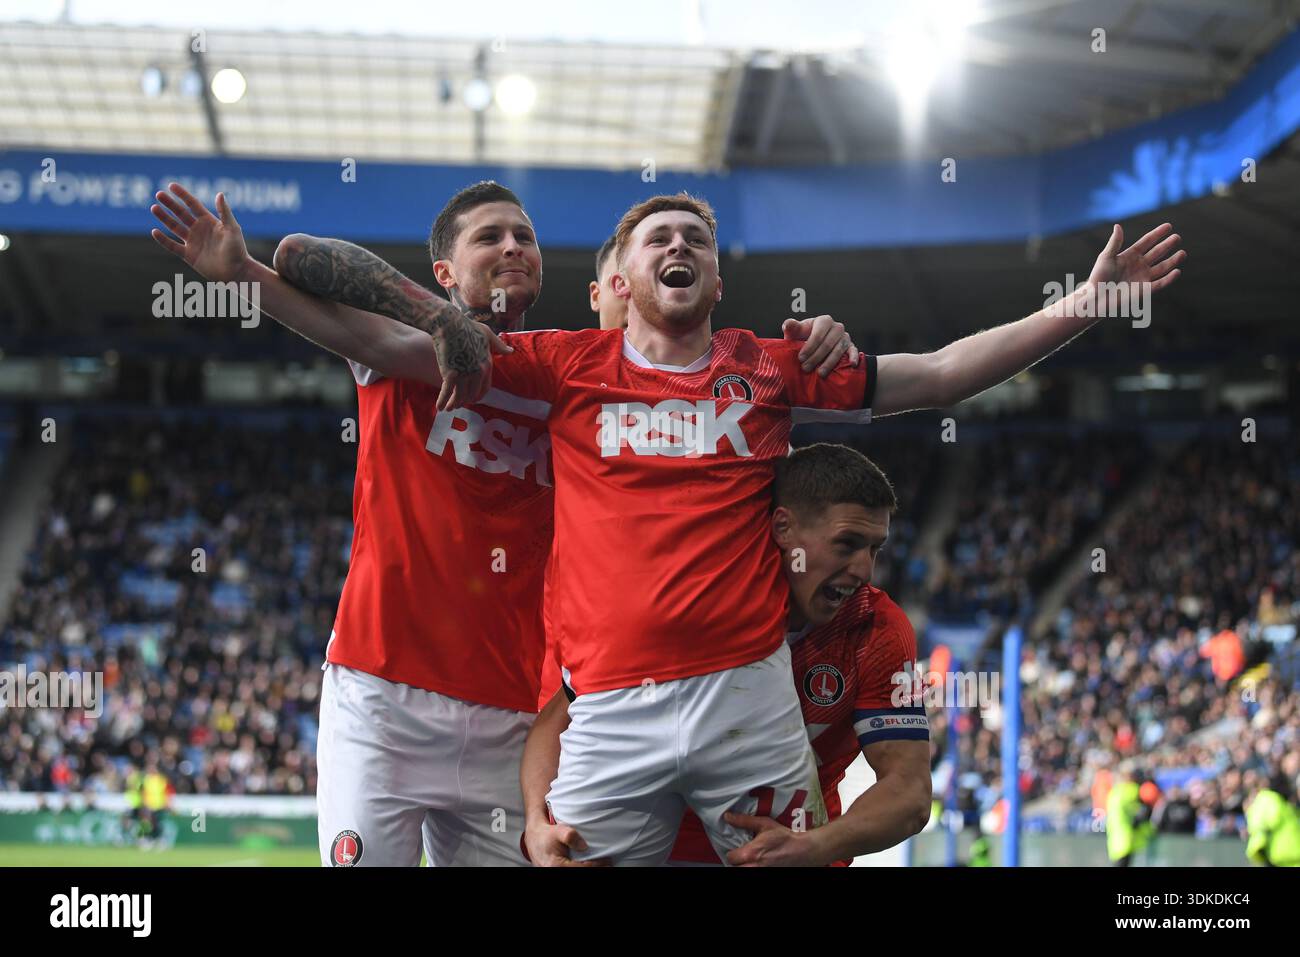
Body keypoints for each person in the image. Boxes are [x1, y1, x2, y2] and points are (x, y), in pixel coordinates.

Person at [149, 181, 853, 866]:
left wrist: (821, 332)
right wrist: (243, 272)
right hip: (382, 695)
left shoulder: (568, 377)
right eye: (490, 236)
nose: (513, 245)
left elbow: (666, 351)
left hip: (515, 715)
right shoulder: (397, 353)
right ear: (445, 270)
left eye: (526, 236)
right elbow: (304, 256)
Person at [521, 444, 932, 867]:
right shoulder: (686, 598)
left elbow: (910, 792)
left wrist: (817, 846)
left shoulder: (878, 629)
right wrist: (535, 822)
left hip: (780, 852)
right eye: (847, 545)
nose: (864, 569)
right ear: (783, 527)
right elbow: (559, 717)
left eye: (875, 549)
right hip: (646, 848)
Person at [1244, 773, 1300, 867]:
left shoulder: (1271, 800)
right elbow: (1263, 824)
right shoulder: (1270, 799)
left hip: (1283, 856)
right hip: (1284, 855)